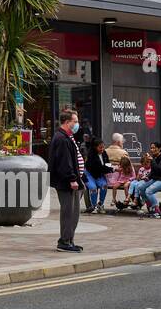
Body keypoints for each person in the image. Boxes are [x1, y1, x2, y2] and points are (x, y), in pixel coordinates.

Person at [48, 108, 85, 252]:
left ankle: (69, 240)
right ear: (67, 122)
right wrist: (72, 179)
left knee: (73, 213)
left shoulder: (67, 137)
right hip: (67, 183)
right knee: (68, 213)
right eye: (75, 121)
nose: (77, 124)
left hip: (74, 182)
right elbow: (65, 162)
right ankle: (64, 242)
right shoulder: (62, 139)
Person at [134, 142, 161, 217]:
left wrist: (152, 160)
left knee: (149, 191)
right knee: (140, 187)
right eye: (151, 148)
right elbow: (153, 171)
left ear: (159, 148)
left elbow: (159, 169)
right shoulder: (154, 157)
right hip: (155, 178)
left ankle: (157, 210)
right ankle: (150, 206)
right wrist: (148, 177)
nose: (152, 150)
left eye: (154, 148)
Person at [84, 140, 113, 214]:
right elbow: (98, 168)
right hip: (89, 174)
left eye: (103, 147)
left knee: (104, 185)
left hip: (99, 175)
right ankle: (94, 206)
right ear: (95, 147)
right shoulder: (91, 155)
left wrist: (109, 167)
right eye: (100, 147)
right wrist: (113, 169)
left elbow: (107, 163)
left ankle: (100, 204)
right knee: (93, 188)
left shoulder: (104, 153)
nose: (102, 149)